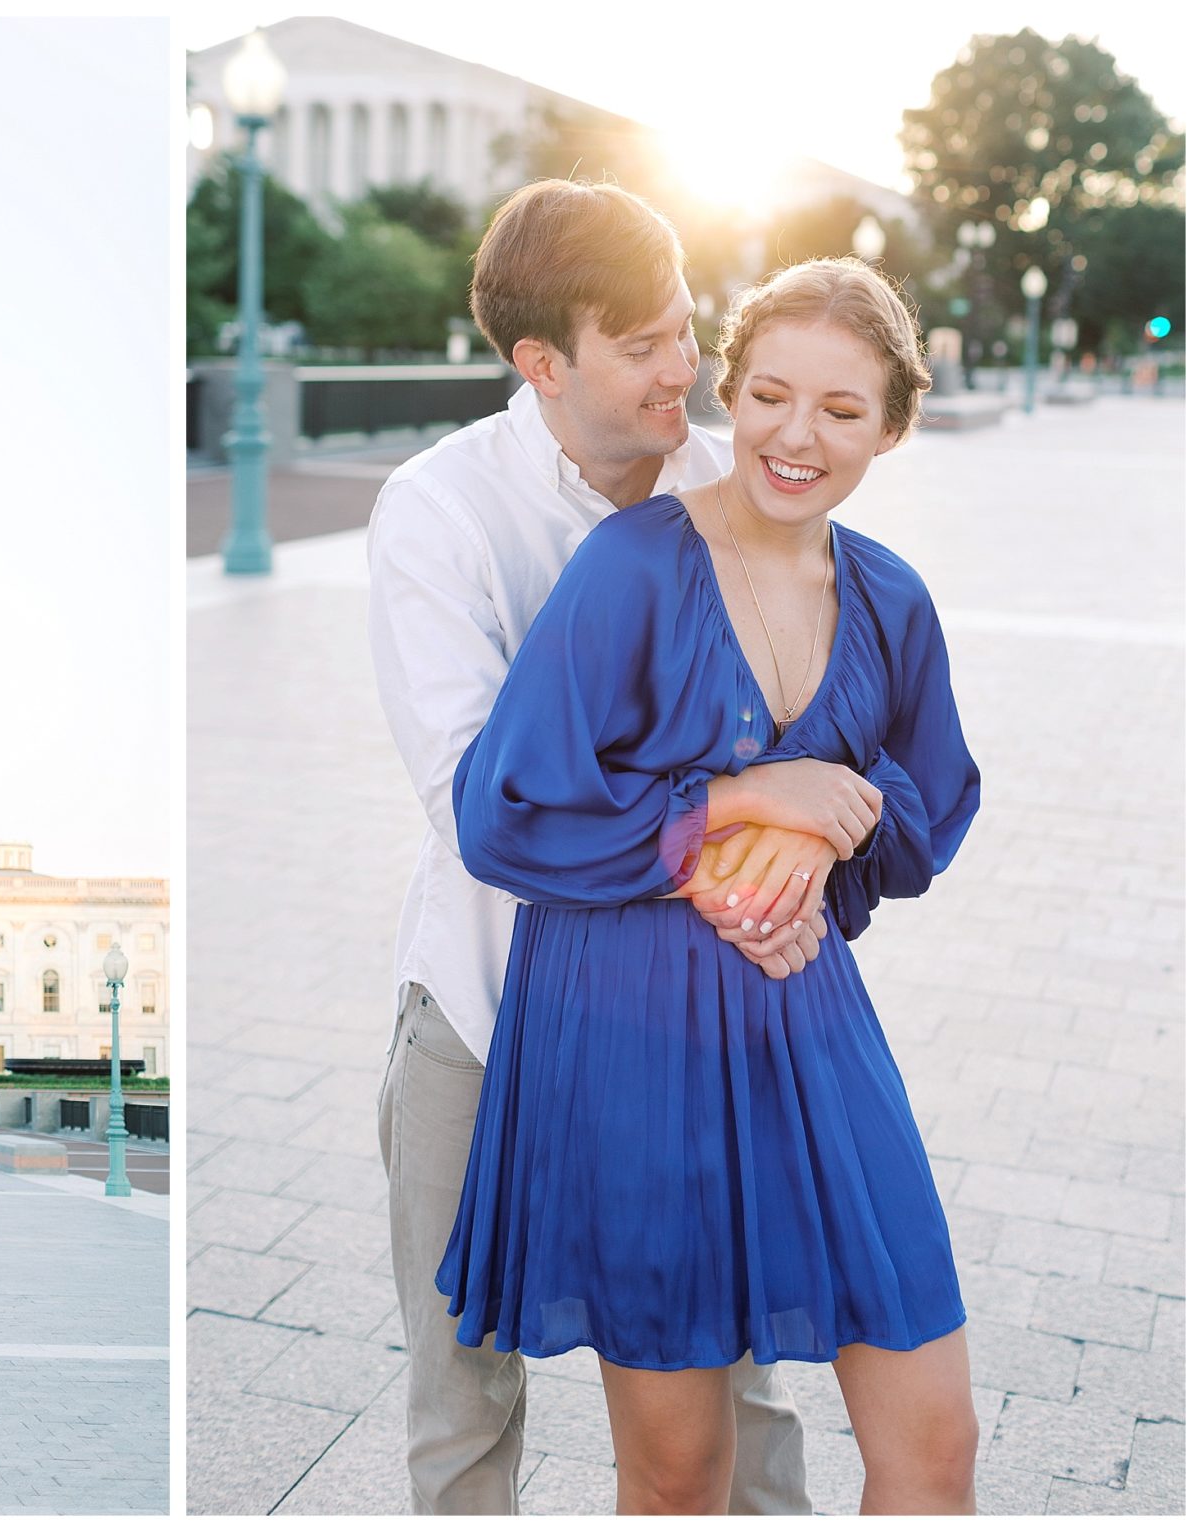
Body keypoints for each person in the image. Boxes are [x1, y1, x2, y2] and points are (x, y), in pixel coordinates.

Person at [439, 257, 981, 1513]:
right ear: (727, 395)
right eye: (770, 395)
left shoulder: (890, 597)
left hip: (808, 1019)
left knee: (934, 1448)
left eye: (840, 410)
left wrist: (825, 820)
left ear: (889, 427)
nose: (796, 436)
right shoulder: (631, 566)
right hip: (625, 1031)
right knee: (678, 1473)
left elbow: (932, 806)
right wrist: (738, 799)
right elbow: (501, 814)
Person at [370, 178, 855, 1514]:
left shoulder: (732, 486)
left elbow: (825, 733)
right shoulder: (439, 511)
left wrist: (801, 840)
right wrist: (737, 806)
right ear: (543, 363)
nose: (681, 369)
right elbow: (483, 812)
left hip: (687, 1015)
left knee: (737, 1382)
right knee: (460, 1394)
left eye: (685, 329)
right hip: (481, 1004)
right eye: (641, 345)